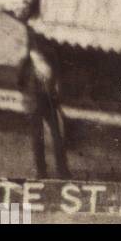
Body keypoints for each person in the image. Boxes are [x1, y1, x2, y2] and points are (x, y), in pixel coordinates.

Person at [20, 38, 68, 178]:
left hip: (49, 102)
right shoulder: (26, 63)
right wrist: (30, 97)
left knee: (57, 136)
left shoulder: (51, 59)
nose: (38, 50)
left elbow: (57, 79)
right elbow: (20, 82)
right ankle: (42, 171)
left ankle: (62, 169)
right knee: (38, 137)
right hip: (34, 103)